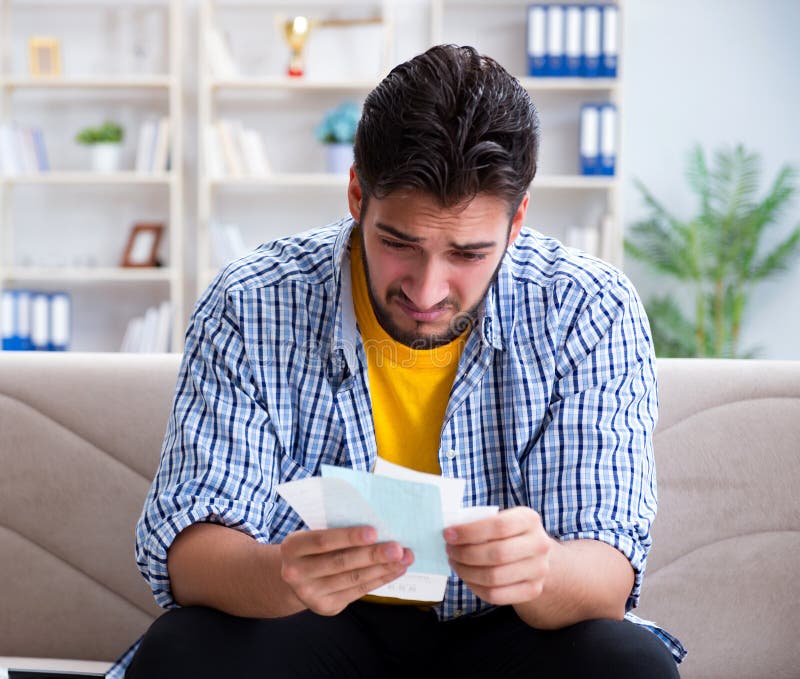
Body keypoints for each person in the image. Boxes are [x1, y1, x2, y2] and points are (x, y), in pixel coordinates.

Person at [114, 44, 686, 678]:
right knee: (182, 652)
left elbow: (607, 572)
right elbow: (189, 551)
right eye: (397, 243)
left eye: (468, 254)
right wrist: (282, 572)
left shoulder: (588, 309)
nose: (426, 290)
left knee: (629, 665)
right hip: (311, 622)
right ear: (358, 194)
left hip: (508, 628)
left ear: (517, 219)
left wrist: (540, 568)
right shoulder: (252, 301)